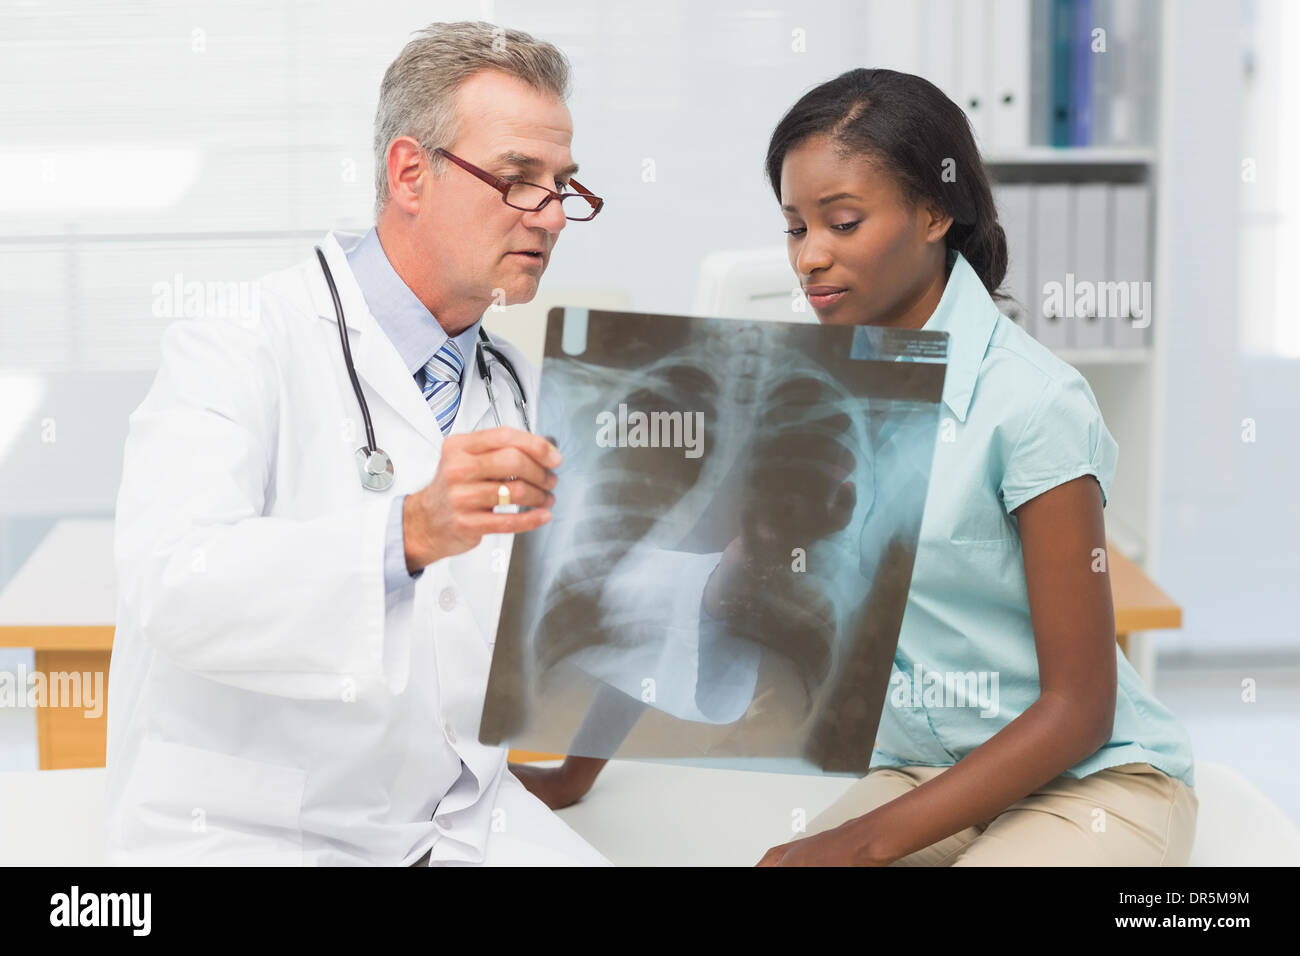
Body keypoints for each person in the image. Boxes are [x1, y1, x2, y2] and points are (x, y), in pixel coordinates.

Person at [524, 68, 1200, 868]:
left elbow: (1081, 709)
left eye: (842, 223)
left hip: (1094, 780)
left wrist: (863, 842)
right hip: (928, 770)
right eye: (794, 227)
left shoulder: (1034, 404)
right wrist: (573, 770)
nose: (809, 257)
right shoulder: (796, 386)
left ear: (935, 211)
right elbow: (684, 592)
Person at [106, 21, 612, 866]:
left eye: (564, 186)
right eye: (521, 181)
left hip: (458, 818)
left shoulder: (517, 385)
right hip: (252, 827)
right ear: (410, 172)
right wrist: (404, 533)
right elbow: (173, 585)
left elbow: (529, 637)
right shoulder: (238, 341)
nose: (553, 216)